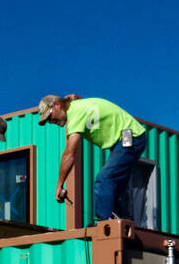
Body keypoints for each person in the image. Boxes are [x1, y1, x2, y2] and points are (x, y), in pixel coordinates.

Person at [40, 94, 147, 223]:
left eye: (50, 116)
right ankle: (123, 221)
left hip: (129, 136)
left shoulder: (75, 113)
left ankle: (104, 225)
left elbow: (69, 154)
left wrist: (59, 185)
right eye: (47, 121)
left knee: (104, 179)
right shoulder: (75, 108)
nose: (51, 122)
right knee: (116, 186)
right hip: (128, 137)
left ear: (57, 105)